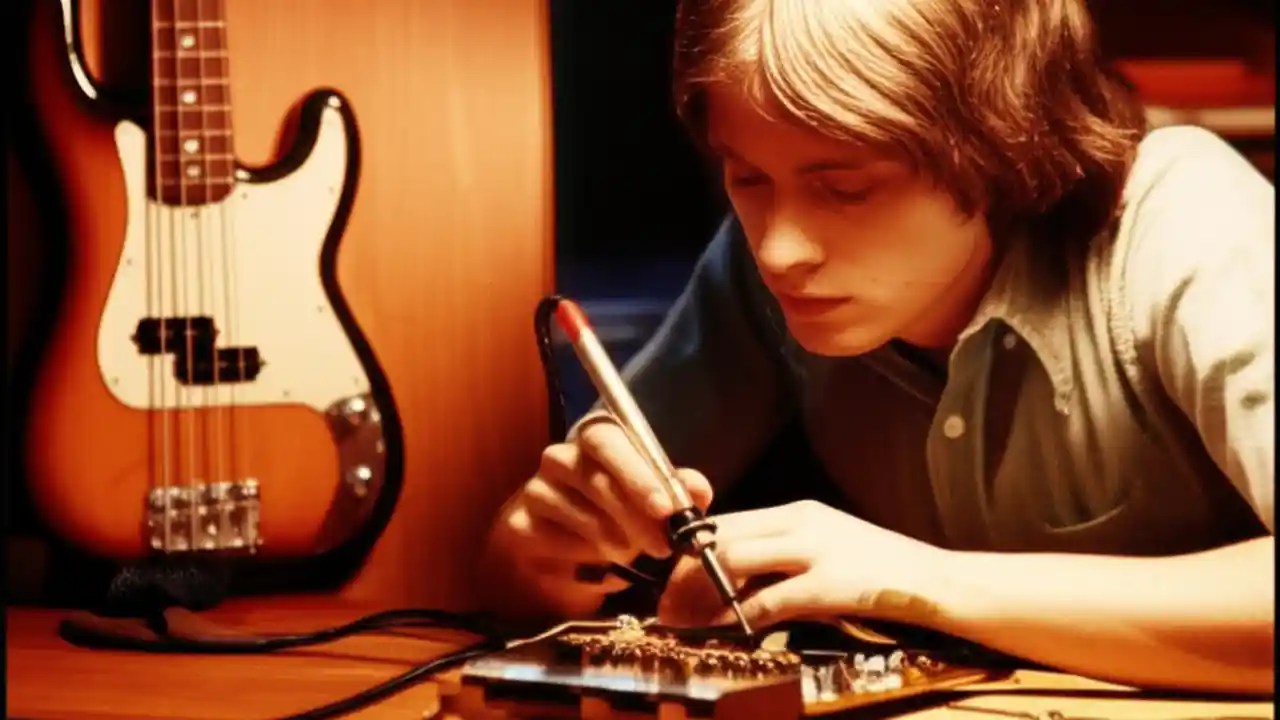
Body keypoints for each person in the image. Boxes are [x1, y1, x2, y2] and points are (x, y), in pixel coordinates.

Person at [480, 0, 1275, 695]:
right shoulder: (760, 274)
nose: (779, 251)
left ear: (1000, 149)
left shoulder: (1184, 221)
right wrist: (542, 550)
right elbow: (520, 588)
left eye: (847, 187)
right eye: (746, 176)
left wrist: (918, 581)